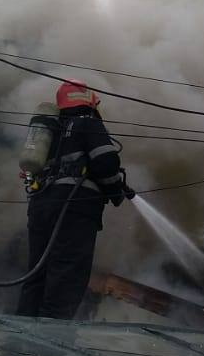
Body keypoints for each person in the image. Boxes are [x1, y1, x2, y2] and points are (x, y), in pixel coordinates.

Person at [17, 80, 133, 319]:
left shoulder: (51, 132)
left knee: (36, 278)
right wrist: (114, 188)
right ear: (88, 100)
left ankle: (20, 342)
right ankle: (49, 347)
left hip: (41, 207)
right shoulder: (87, 123)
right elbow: (106, 162)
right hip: (73, 210)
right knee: (66, 278)